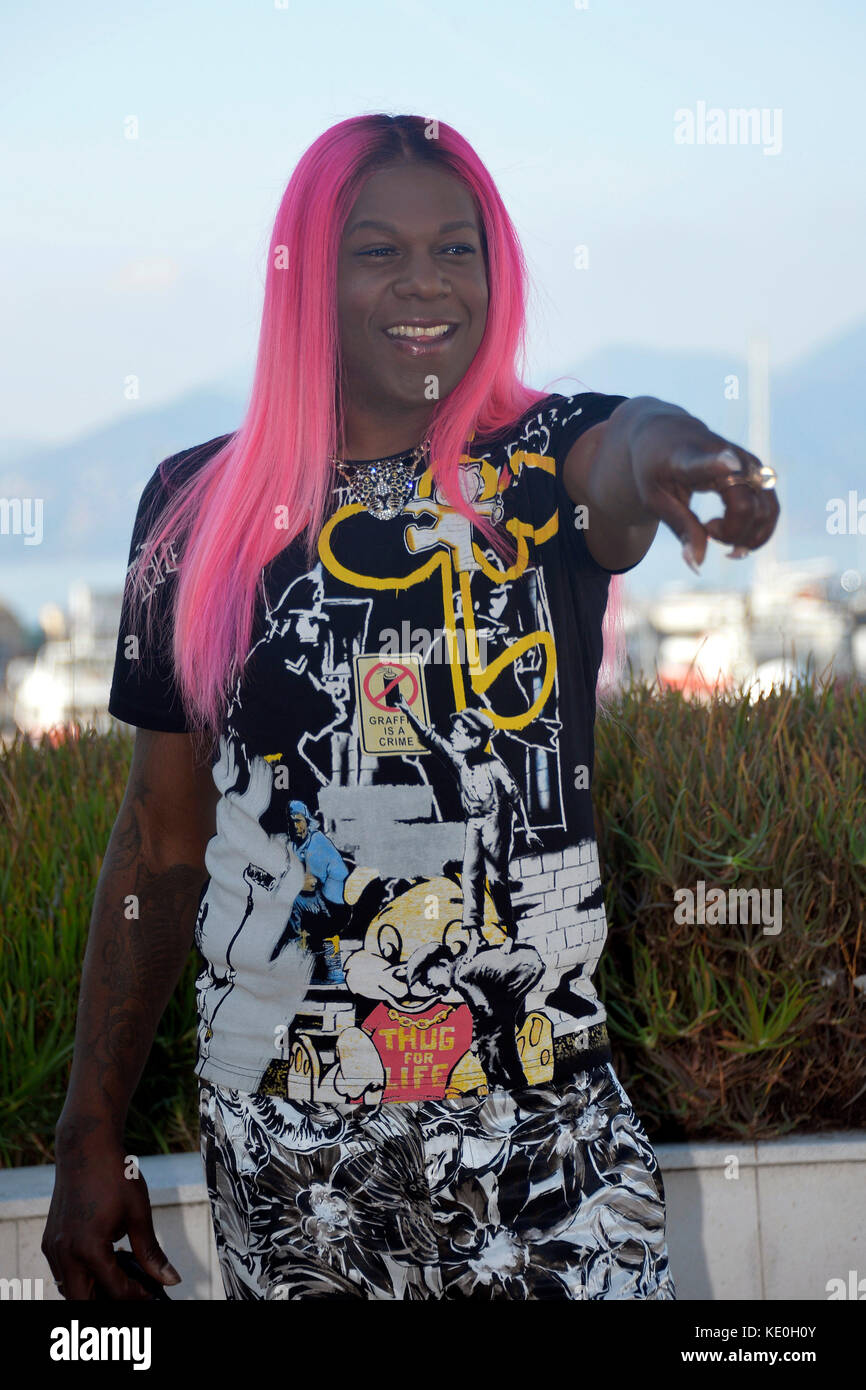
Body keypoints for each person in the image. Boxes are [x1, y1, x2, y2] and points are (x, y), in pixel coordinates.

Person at [42, 113, 778, 1302]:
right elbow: (163, 836)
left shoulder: (539, 470)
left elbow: (626, 439)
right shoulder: (194, 506)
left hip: (546, 1148)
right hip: (290, 1159)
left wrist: (682, 455)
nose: (425, 283)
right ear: (307, 278)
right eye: (376, 250)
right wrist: (89, 1126)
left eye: (457, 247)